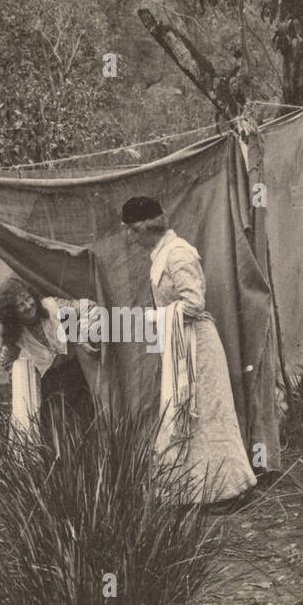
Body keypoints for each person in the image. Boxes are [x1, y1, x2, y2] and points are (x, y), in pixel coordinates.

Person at [121, 195, 256, 506]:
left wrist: (155, 316)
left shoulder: (178, 253)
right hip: (180, 344)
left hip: (198, 345)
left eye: (130, 229)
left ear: (144, 227)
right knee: (185, 415)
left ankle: (232, 490)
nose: (129, 237)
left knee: (207, 411)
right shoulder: (161, 254)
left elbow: (194, 304)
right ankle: (199, 492)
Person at [0, 277, 97, 437]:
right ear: (11, 313)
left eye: (28, 299)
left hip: (76, 376)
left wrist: (83, 336)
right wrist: (23, 379)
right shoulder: (15, 337)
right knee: (62, 434)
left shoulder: (52, 306)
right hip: (50, 387)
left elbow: (90, 307)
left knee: (89, 424)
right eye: (20, 305)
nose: (28, 306)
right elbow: (7, 362)